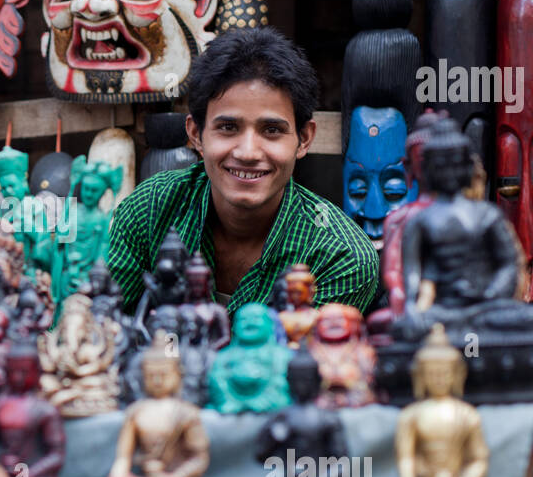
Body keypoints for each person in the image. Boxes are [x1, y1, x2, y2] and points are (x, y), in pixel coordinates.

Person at [107, 27, 378, 316]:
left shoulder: (341, 256)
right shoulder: (150, 209)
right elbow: (93, 319)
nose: (248, 153)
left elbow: (305, 345)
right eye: (228, 127)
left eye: (271, 130)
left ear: (304, 139)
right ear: (196, 134)